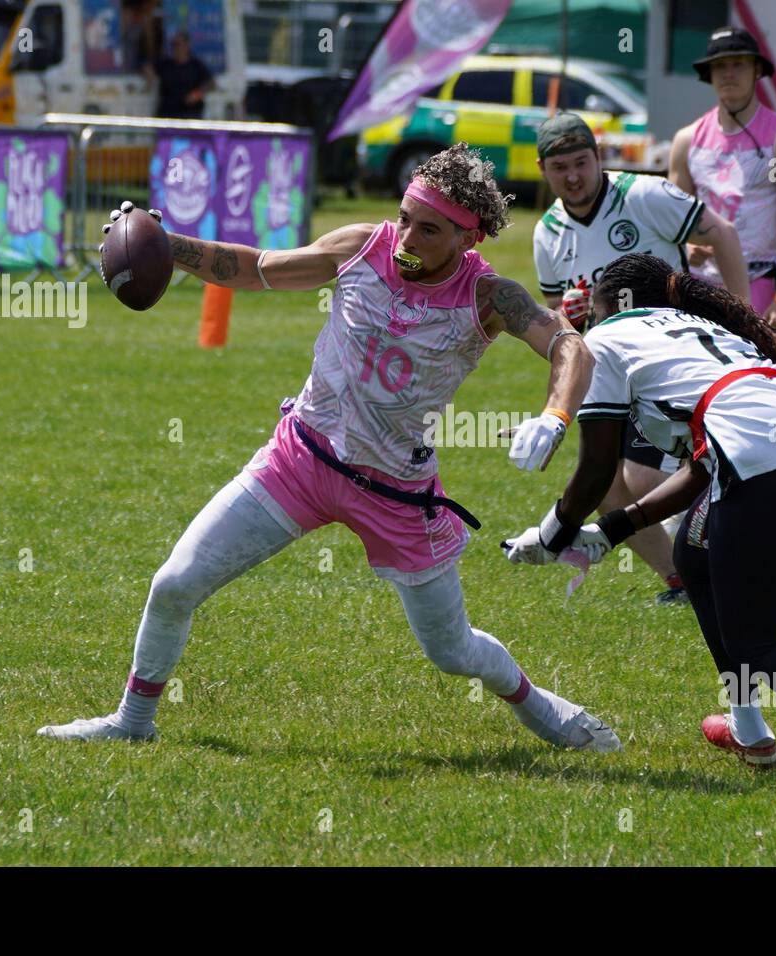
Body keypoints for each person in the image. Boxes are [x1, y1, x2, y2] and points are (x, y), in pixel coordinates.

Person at [37, 144, 620, 754]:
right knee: (174, 584)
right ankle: (133, 720)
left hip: (396, 493)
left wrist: (555, 417)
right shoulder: (362, 246)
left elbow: (569, 346)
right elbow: (257, 268)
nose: (406, 238)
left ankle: (541, 707)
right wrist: (164, 243)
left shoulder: (487, 295)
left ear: (467, 238)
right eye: (404, 218)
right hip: (302, 460)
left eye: (429, 230)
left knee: (453, 652)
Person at [504, 252, 776, 790]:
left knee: (758, 646)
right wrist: (608, 533)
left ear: (606, 306)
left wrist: (552, 535)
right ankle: (749, 730)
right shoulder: (697, 326)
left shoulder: (604, 340)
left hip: (763, 456)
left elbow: (598, 468)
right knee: (694, 558)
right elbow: (704, 466)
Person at [533, 112, 749, 605]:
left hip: (675, 360)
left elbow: (722, 234)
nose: (573, 176)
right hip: (613, 372)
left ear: (598, 157)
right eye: (560, 167)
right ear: (543, 170)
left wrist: (742, 319)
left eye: (581, 162)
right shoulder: (547, 232)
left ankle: (727, 559)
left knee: (644, 477)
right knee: (606, 483)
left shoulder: (644, 195)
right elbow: (557, 323)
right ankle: (684, 579)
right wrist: (569, 314)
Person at [669, 26, 776, 332]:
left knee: (755, 365)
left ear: (757, 70)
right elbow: (674, 221)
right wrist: (687, 246)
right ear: (709, 73)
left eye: (739, 64)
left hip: (759, 282)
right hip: (699, 285)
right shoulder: (686, 140)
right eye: (720, 65)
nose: (729, 73)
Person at [145, 30, 214, 120]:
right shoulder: (165, 64)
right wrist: (150, 79)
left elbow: (210, 83)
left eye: (178, 45)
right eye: (173, 45)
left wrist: (197, 94)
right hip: (167, 113)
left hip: (190, 114)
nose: (175, 48)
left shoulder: (196, 65)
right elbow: (146, 66)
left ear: (187, 45)